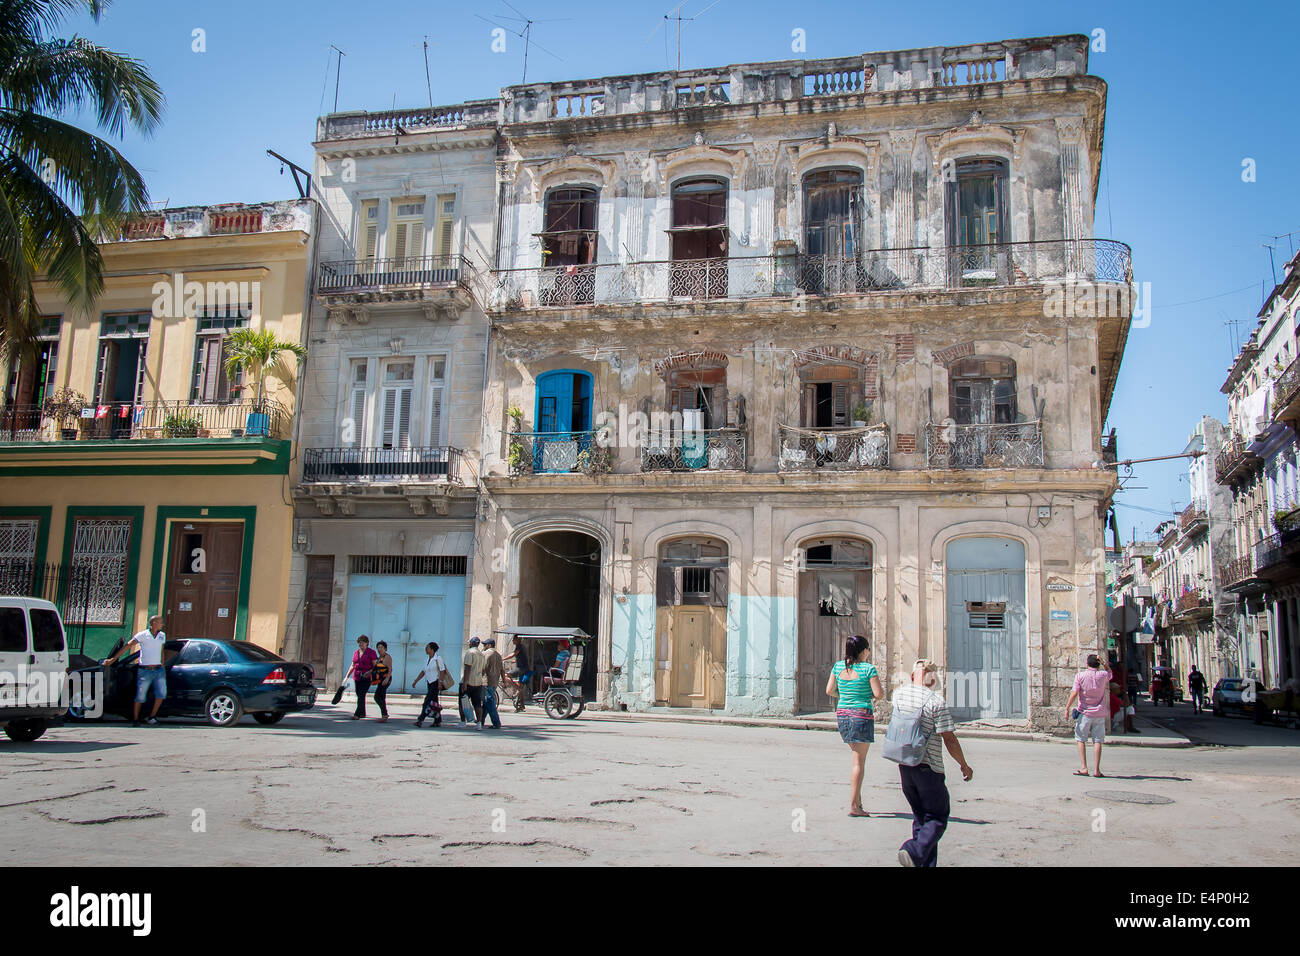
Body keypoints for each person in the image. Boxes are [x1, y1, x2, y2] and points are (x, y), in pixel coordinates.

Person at [891, 659, 972, 867]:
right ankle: (914, 850)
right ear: (933, 678)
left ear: (911, 677)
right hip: (929, 769)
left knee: (921, 819)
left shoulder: (899, 697)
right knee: (937, 816)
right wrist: (964, 764)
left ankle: (922, 862)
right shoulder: (936, 702)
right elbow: (950, 739)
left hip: (906, 767)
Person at [825, 634, 884, 817]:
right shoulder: (868, 669)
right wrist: (864, 695)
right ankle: (854, 806)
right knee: (859, 762)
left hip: (843, 714)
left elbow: (830, 690)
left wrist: (845, 696)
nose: (868, 653)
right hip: (861, 714)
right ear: (863, 650)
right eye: (868, 650)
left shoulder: (838, 666)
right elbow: (879, 694)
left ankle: (858, 801)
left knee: (855, 756)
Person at [103, 614, 168, 726]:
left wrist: (162, 664)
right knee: (140, 695)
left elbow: (161, 650)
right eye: (160, 622)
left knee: (161, 694)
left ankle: (152, 717)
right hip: (145, 670)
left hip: (158, 670)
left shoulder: (162, 635)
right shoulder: (142, 635)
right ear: (153, 623)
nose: (163, 624)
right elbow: (128, 646)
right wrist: (112, 660)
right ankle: (135, 719)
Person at [1066, 653, 1112, 777]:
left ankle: (1084, 767)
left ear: (1087, 664)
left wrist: (1067, 707)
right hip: (1099, 713)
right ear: (1098, 664)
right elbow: (1110, 672)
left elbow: (1075, 693)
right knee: (1097, 741)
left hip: (1085, 713)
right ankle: (1097, 770)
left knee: (1081, 739)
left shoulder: (1080, 676)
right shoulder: (1103, 675)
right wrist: (1103, 663)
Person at [412, 642, 447, 728]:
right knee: (435, 702)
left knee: (427, 702)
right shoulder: (426, 659)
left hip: (436, 683)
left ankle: (420, 720)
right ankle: (438, 721)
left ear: (432, 649)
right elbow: (423, 671)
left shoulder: (438, 658)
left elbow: (442, 671)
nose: (426, 649)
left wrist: (440, 682)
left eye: (427, 647)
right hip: (429, 683)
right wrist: (416, 681)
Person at [345, 635, 377, 720]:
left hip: (367, 677)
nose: (361, 644)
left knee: (362, 694)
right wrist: (347, 676)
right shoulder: (356, 652)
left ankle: (357, 714)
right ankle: (362, 713)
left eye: (362, 642)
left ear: (367, 643)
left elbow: (376, 666)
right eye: (359, 642)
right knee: (359, 695)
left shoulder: (371, 652)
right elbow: (352, 665)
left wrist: (369, 672)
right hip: (357, 677)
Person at [461, 636, 486, 729]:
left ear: (471, 643)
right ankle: (479, 723)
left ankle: (463, 722)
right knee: (477, 703)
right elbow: (483, 670)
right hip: (478, 682)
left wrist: (465, 682)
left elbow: (468, 667)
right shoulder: (481, 654)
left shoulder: (470, 652)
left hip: (469, 681)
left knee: (463, 701)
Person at [481, 637, 504, 730]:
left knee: (490, 702)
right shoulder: (498, 655)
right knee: (487, 702)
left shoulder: (486, 654)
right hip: (495, 681)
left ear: (489, 645)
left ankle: (496, 722)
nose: (483, 646)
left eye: (485, 644)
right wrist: (504, 681)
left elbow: (483, 668)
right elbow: (502, 670)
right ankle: (480, 720)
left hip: (487, 681)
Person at [505, 637, 533, 711]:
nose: (513, 641)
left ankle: (518, 689)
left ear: (517, 640)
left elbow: (514, 654)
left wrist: (503, 658)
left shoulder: (519, 646)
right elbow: (520, 657)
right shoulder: (522, 646)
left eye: (514, 639)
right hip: (524, 668)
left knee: (506, 676)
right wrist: (514, 661)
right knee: (520, 685)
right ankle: (522, 705)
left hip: (521, 668)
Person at [371, 640, 393, 723]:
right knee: (380, 697)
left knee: (378, 696)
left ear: (385, 648)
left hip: (386, 679)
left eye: (381, 647)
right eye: (378, 647)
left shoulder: (387, 657)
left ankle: (384, 714)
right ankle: (384, 715)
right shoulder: (379, 658)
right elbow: (375, 668)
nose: (379, 649)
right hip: (380, 679)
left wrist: (387, 679)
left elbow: (390, 669)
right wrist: (368, 673)